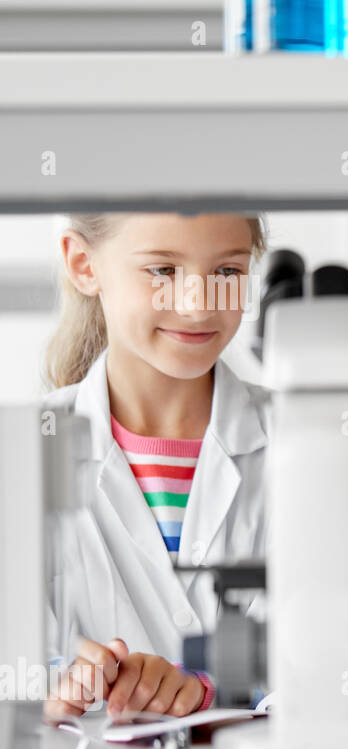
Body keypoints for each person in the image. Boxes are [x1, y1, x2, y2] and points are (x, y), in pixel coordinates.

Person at [41, 212, 270, 722]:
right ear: (84, 265)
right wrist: (52, 687)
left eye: (228, 272)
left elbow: (332, 665)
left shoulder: (303, 444)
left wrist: (207, 693)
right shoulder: (26, 452)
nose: (197, 303)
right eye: (163, 271)